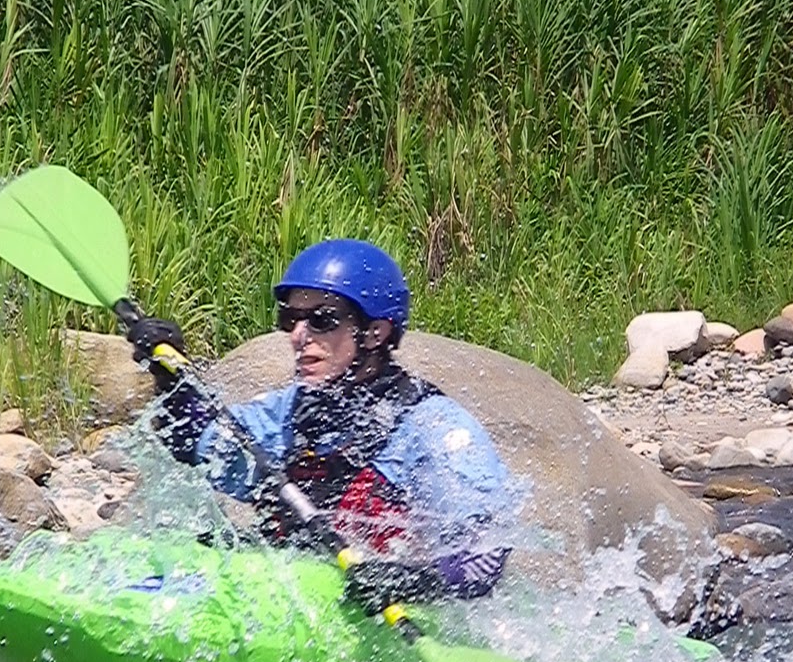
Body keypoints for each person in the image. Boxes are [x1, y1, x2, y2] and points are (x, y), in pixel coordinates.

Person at [127, 239, 516, 616]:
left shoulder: (434, 427)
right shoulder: (293, 409)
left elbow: (486, 555)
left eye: (322, 320)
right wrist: (171, 378)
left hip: (374, 614)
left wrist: (407, 581)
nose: (298, 336)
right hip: (289, 590)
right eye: (290, 318)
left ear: (375, 332)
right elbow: (195, 440)